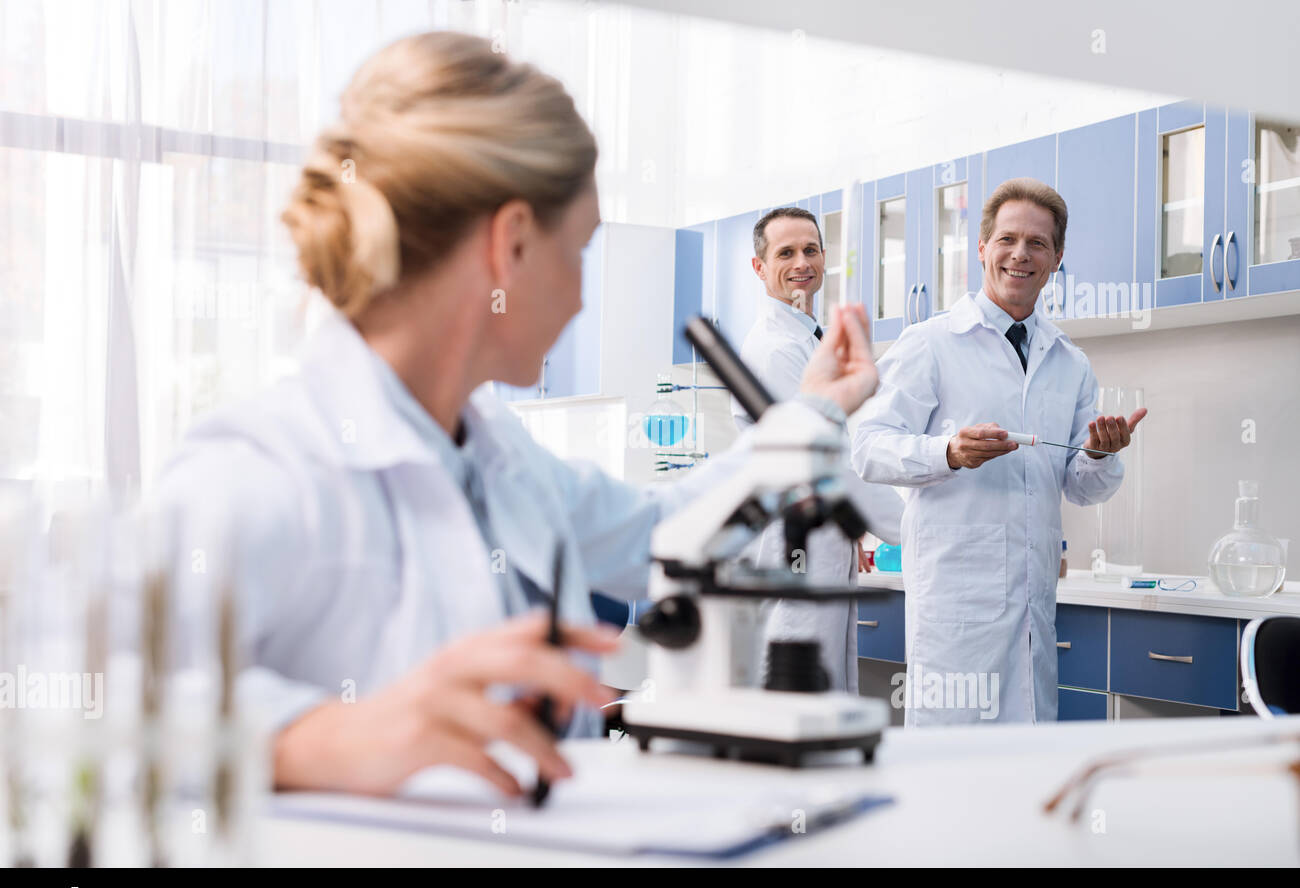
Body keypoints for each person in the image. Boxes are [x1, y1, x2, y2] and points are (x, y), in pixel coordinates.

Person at [154, 32, 887, 797]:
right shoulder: (260, 467)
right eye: (578, 254)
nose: (578, 296)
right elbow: (116, 705)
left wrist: (814, 411)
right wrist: (321, 736)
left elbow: (664, 529)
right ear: (510, 245)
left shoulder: (500, 453)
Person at [852, 178, 1147, 725]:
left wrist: (1102, 455)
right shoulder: (931, 342)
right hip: (955, 609)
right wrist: (948, 452)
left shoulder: (1069, 361)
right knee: (952, 771)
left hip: (1034, 606)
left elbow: (1080, 487)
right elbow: (868, 448)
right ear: (982, 248)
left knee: (1023, 769)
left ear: (1057, 257)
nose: (1021, 254)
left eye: (1038, 243)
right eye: (1007, 239)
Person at [731, 207, 902, 692]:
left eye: (810, 250)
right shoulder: (776, 349)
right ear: (759, 266)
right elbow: (826, 456)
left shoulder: (808, 338)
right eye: (785, 252)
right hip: (794, 545)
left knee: (820, 679)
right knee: (799, 686)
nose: (801, 262)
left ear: (825, 257)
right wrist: (908, 528)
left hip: (817, 539)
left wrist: (858, 534)